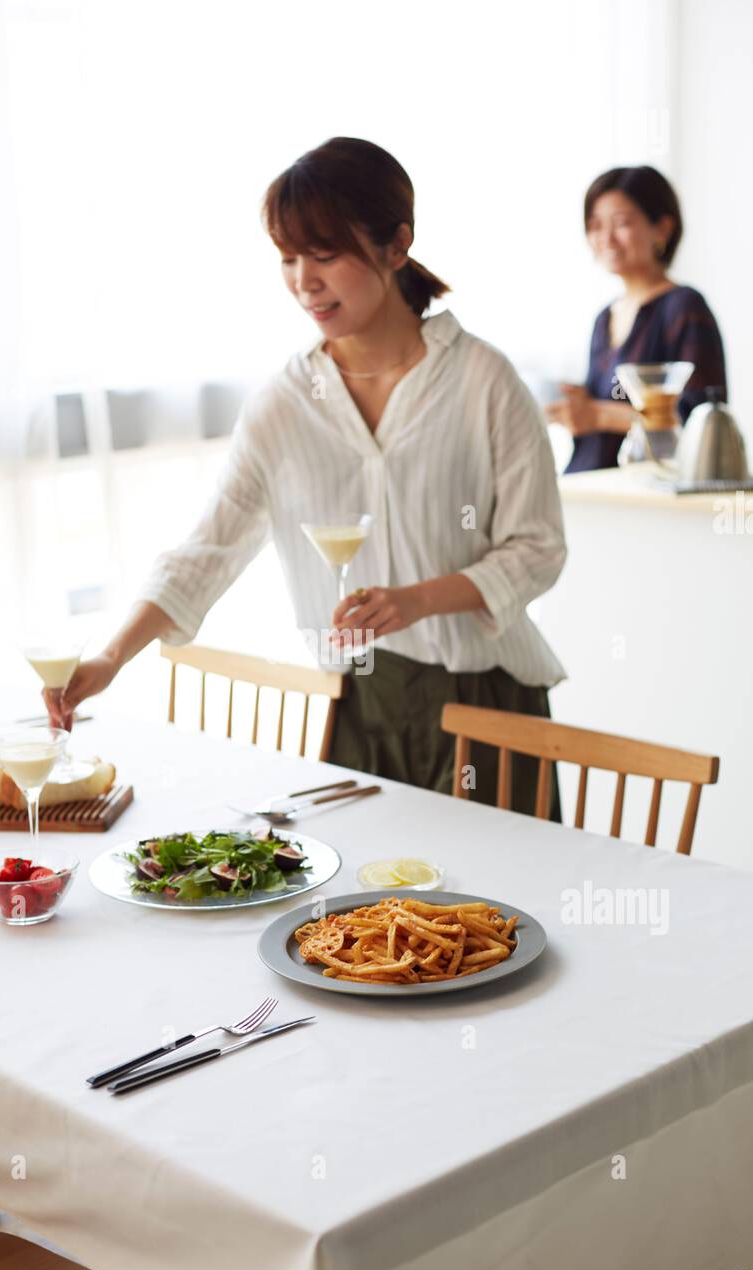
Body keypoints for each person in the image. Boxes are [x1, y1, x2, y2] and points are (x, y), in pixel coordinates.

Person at [48, 137, 567, 816]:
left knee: (501, 914)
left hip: (489, 701)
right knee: (366, 917)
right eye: (288, 258)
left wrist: (417, 599)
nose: (304, 281)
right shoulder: (285, 404)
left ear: (396, 245)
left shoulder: (483, 382)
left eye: (325, 255)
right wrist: (111, 659)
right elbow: (207, 551)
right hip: (360, 704)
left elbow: (538, 551)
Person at [548, 165, 728, 472]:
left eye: (621, 223)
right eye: (595, 225)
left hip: (646, 495)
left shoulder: (685, 308)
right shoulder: (604, 318)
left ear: (662, 229)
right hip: (589, 484)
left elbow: (700, 422)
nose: (605, 238)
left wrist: (599, 414)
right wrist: (580, 404)